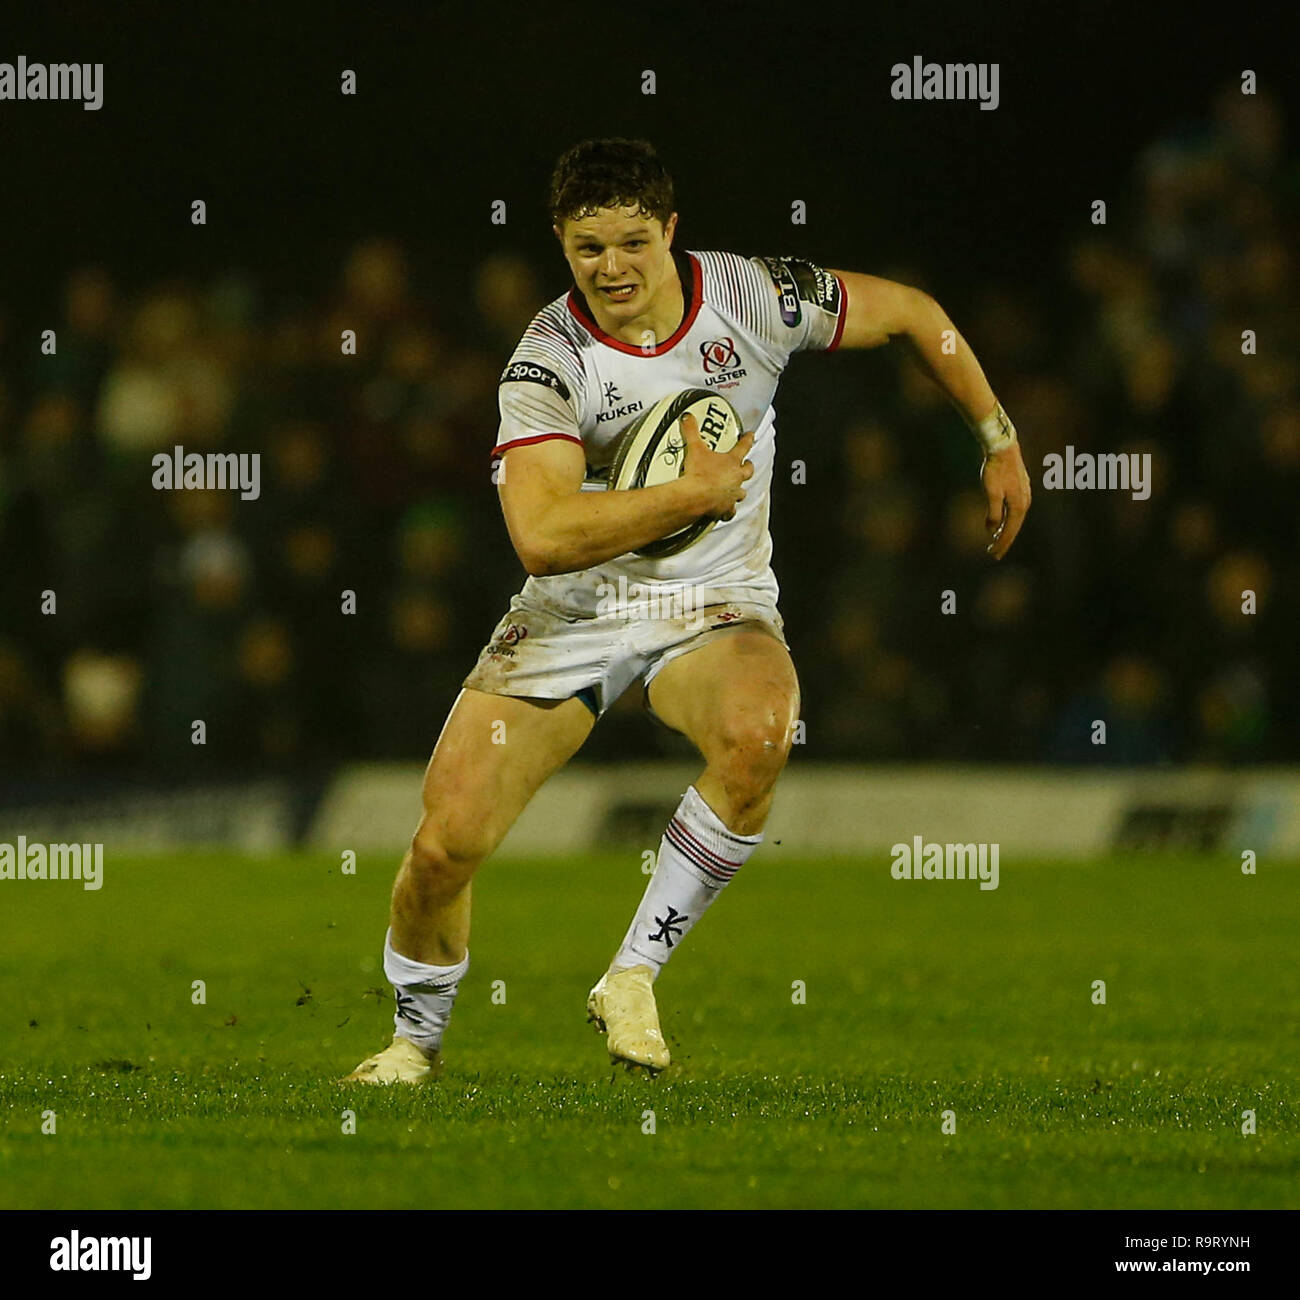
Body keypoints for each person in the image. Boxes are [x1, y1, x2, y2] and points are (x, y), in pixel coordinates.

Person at [343, 138, 1030, 1083]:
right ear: (560, 243)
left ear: (671, 229)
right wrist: (692, 492)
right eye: (588, 249)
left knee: (761, 731)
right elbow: (542, 537)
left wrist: (996, 437)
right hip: (575, 608)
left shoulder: (755, 297)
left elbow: (913, 315)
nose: (612, 268)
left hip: (713, 601)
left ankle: (631, 975)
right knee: (443, 844)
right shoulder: (547, 361)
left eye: (632, 242)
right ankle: (413, 1045)